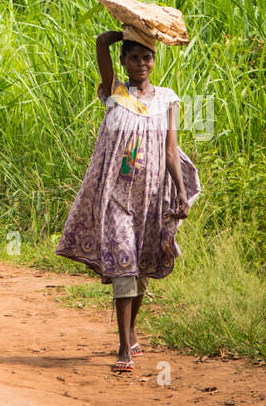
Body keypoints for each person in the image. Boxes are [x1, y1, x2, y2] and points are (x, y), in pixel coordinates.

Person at [55, 29, 201, 370]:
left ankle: (132, 329)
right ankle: (123, 346)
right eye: (133, 57)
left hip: (150, 199)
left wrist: (180, 192)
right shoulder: (116, 92)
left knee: (142, 270)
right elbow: (100, 44)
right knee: (124, 264)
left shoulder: (168, 99)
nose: (140, 64)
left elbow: (169, 149)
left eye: (146, 57)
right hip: (118, 196)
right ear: (123, 61)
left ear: (154, 60)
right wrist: (131, 27)